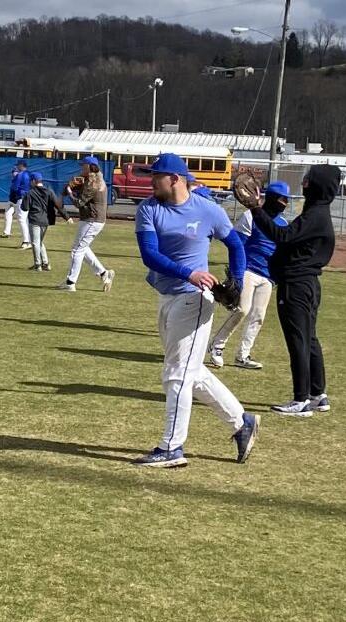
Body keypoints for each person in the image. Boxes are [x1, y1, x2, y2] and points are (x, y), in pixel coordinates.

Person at [132, 152, 260, 468]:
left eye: (156, 176)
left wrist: (238, 279)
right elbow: (149, 255)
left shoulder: (208, 210)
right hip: (168, 295)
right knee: (191, 370)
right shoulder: (148, 209)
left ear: (175, 179)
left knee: (176, 373)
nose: (151, 181)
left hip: (196, 299)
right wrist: (188, 272)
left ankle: (172, 448)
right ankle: (242, 423)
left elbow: (235, 245)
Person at [248, 165, 337, 417]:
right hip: (306, 284)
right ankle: (318, 394)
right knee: (309, 338)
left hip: (296, 286)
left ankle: (301, 400)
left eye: (309, 179)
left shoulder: (315, 214)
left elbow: (281, 235)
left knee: (298, 340)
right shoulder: (317, 211)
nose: (304, 182)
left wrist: (256, 208)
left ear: (317, 184)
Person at [207, 181, 290, 370]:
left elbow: (280, 251)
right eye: (281, 198)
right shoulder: (250, 216)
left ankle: (243, 355)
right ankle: (217, 345)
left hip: (268, 276)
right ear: (270, 198)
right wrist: (237, 275)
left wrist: (277, 275)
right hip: (248, 270)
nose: (284, 202)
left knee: (258, 316)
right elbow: (237, 246)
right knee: (242, 310)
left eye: (286, 199)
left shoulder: (283, 222)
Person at [58, 156, 115, 293]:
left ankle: (70, 282)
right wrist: (73, 187)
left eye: (83, 166)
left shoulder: (93, 182)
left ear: (90, 167)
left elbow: (79, 203)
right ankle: (103, 273)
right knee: (83, 248)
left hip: (92, 219)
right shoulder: (93, 180)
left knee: (77, 250)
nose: (81, 168)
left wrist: (70, 191)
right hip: (92, 219)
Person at [22, 172, 69, 272]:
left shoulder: (30, 193)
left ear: (34, 181)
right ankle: (46, 263)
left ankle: (37, 264)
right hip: (46, 221)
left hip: (34, 219)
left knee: (35, 242)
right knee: (39, 242)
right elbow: (58, 205)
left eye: (31, 181)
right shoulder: (49, 191)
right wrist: (67, 217)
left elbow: (25, 208)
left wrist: (24, 199)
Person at [2, 159, 33, 249]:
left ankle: (26, 241)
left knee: (22, 220)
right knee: (26, 220)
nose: (17, 167)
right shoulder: (30, 174)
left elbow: (14, 188)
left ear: (21, 165)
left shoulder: (20, 175)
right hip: (29, 198)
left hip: (21, 198)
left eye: (18, 165)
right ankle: (29, 241)